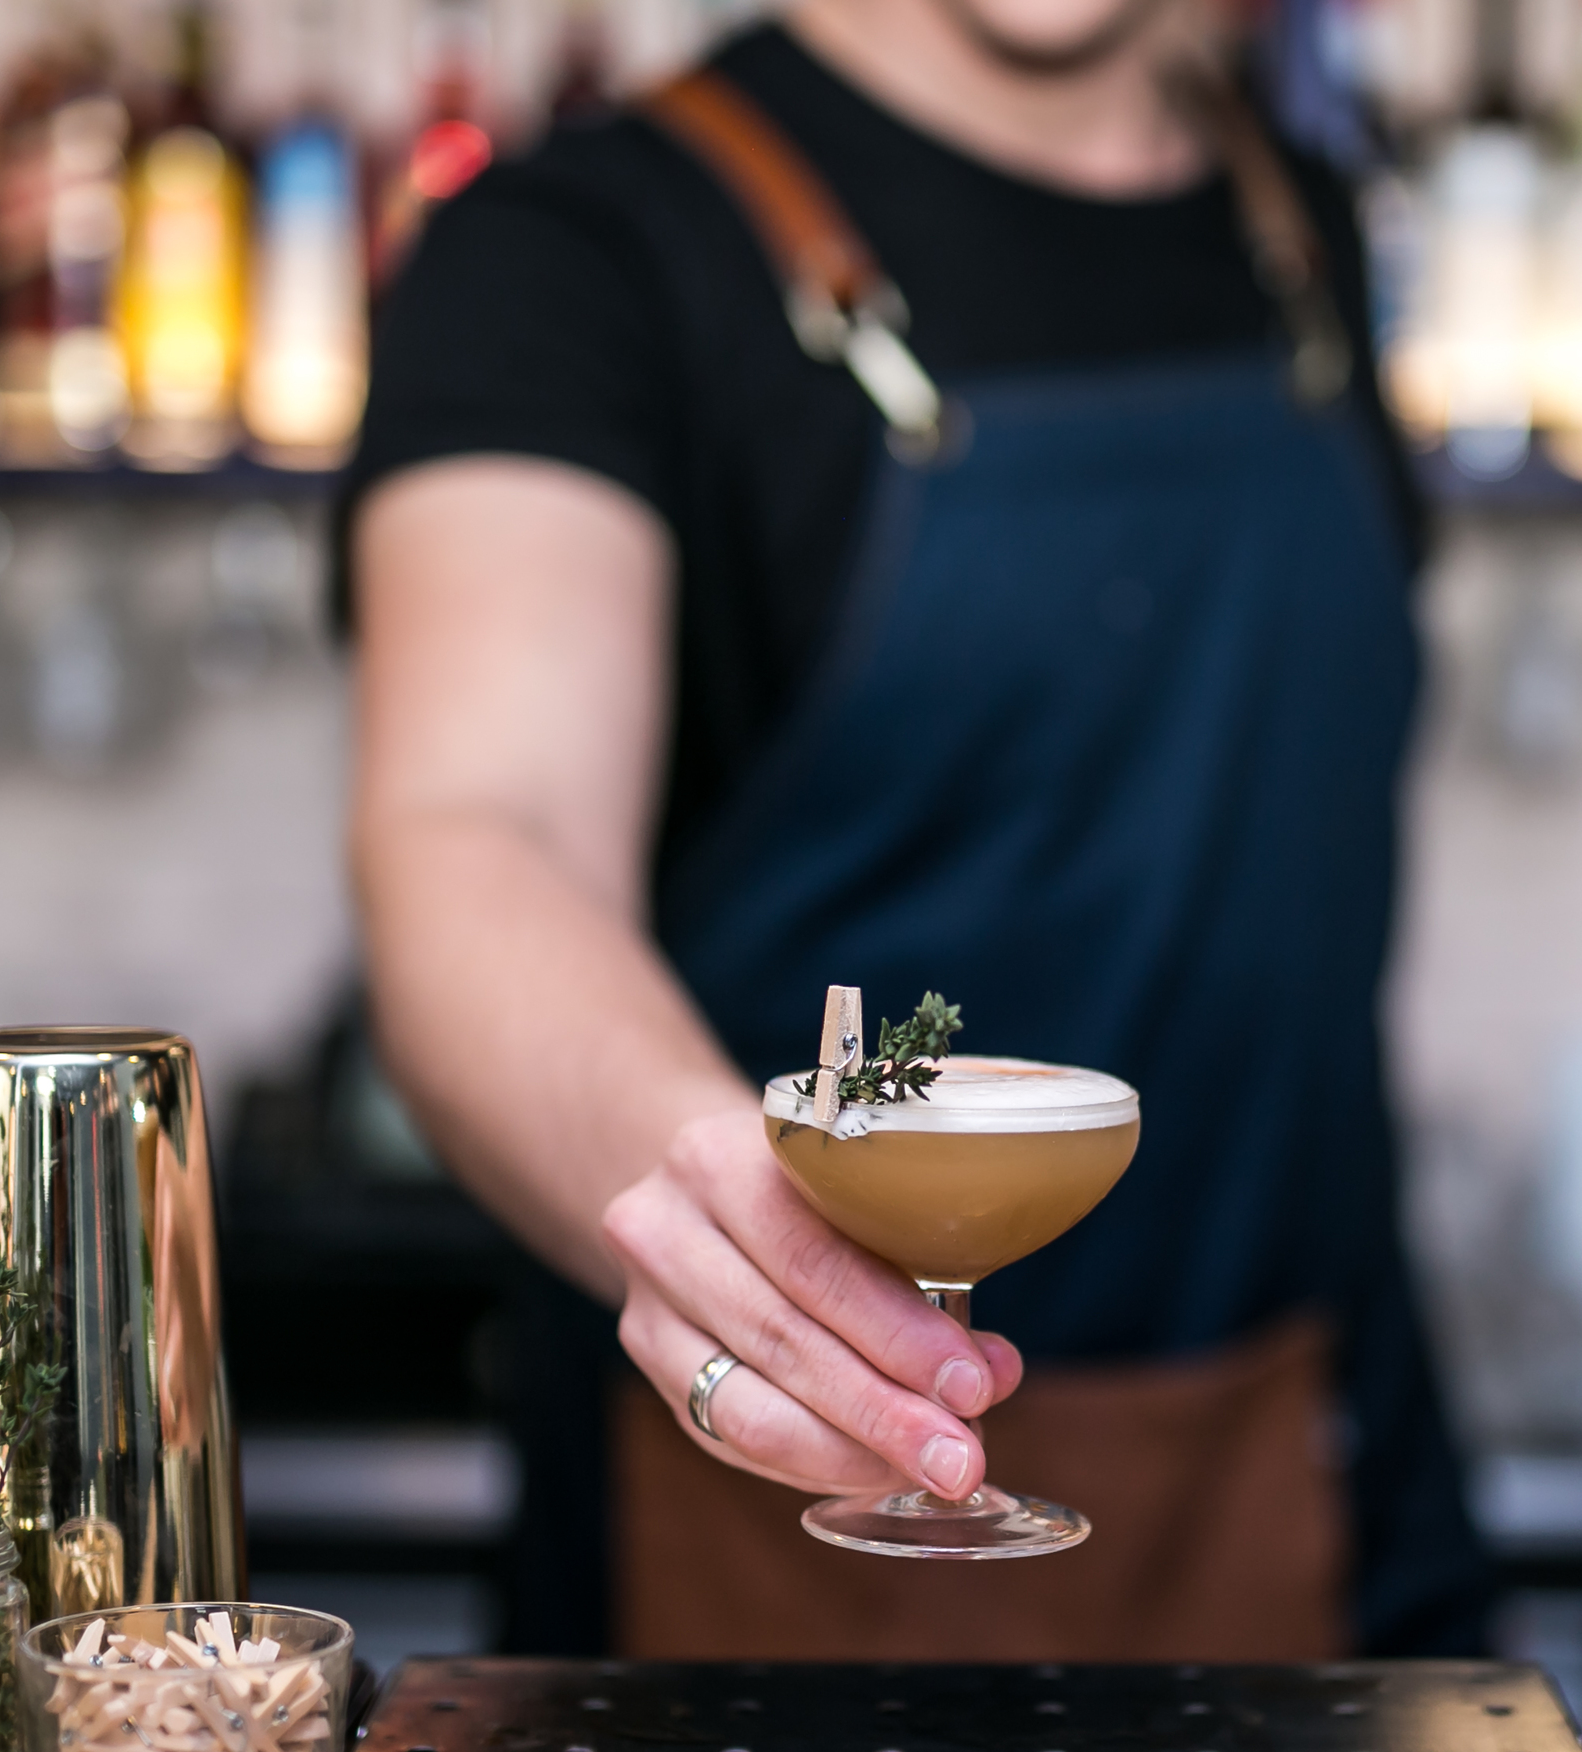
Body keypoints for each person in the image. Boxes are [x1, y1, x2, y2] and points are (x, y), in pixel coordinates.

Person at [344, 0, 1488, 1661]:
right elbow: (474, 831)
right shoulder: (572, 252)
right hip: (773, 1579)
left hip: (1322, 1516)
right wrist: (719, 1203)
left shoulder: (1295, 220)